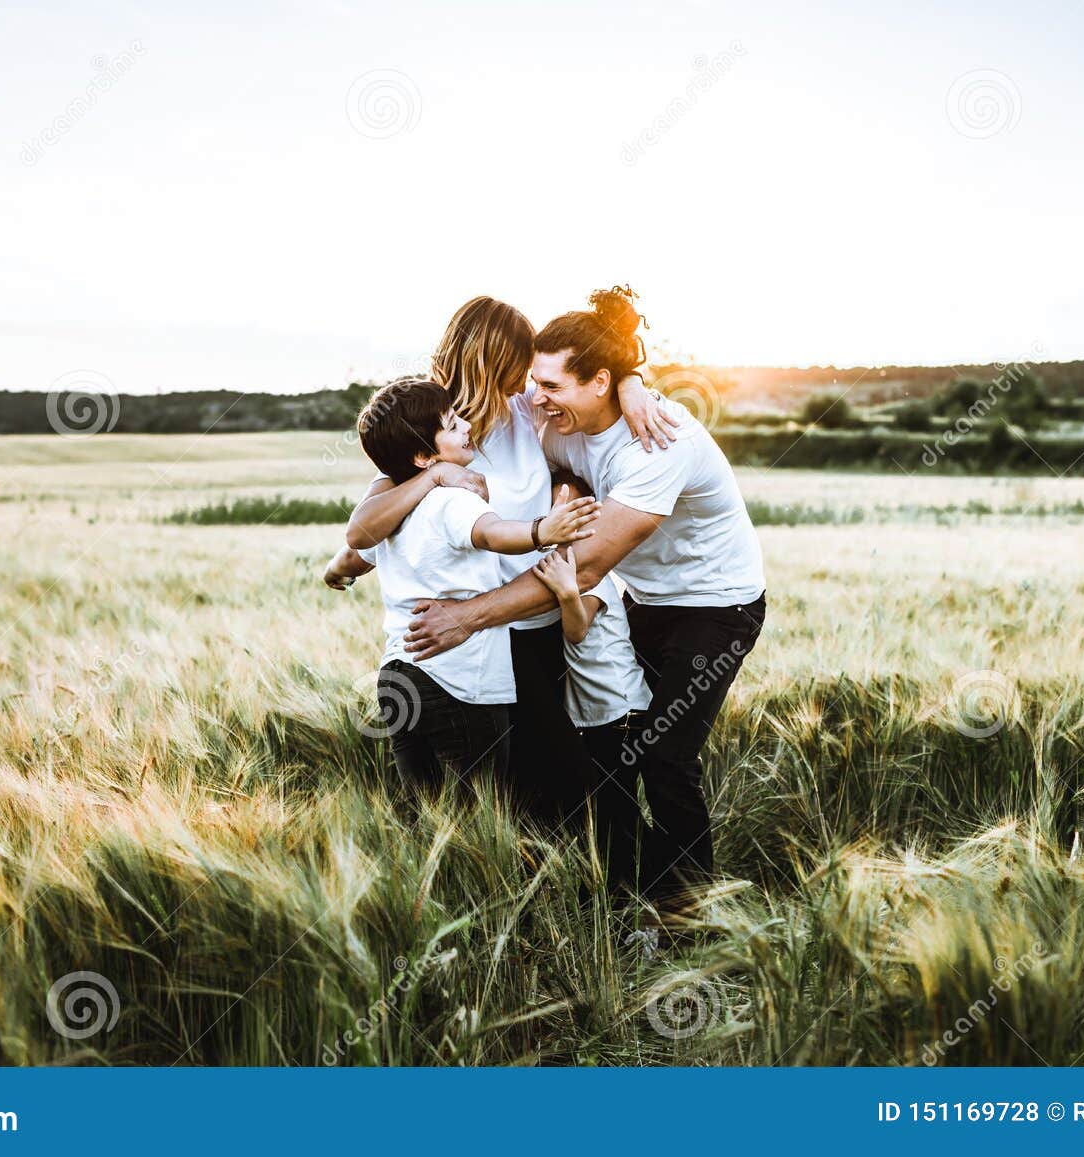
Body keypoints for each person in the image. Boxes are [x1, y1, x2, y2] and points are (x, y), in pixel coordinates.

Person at [405, 287, 766, 917]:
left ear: (598, 382)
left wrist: (467, 615)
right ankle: (638, 892)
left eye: (551, 385)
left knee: (665, 751)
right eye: (532, 382)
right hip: (648, 602)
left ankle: (694, 910)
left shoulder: (659, 441)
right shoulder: (556, 419)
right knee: (610, 747)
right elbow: (457, 416)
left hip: (716, 608)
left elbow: (588, 561)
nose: (533, 397)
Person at [340, 296, 677, 822]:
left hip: (542, 619)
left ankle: (577, 890)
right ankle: (523, 891)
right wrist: (426, 483)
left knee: (554, 779)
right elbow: (369, 523)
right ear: (493, 364)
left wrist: (631, 382)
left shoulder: (524, 408)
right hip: (481, 638)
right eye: (518, 366)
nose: (530, 381)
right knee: (529, 786)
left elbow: (586, 372)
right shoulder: (433, 427)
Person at [323, 377, 596, 796]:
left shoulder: (395, 513)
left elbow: (356, 553)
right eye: (452, 425)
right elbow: (492, 534)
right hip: (461, 682)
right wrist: (543, 529)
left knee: (421, 813)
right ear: (421, 456)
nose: (466, 426)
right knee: (479, 809)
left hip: (399, 674)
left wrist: (335, 570)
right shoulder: (454, 498)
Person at [529, 522, 651, 897]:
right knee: (610, 809)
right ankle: (631, 892)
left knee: (617, 811)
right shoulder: (573, 569)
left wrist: (567, 592)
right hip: (600, 715)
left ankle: (653, 891)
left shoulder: (589, 576)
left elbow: (577, 629)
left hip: (621, 712)